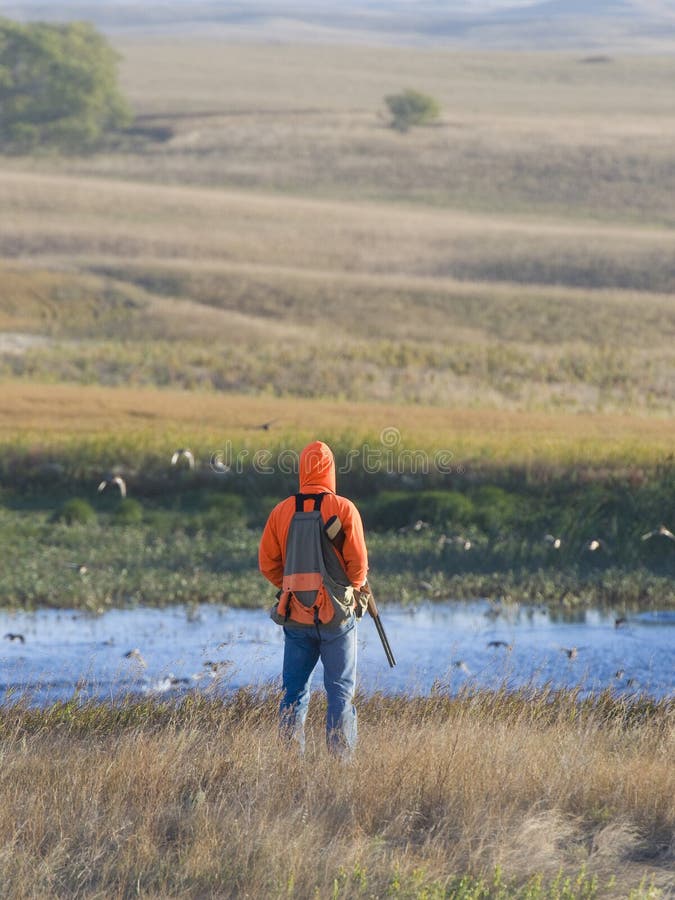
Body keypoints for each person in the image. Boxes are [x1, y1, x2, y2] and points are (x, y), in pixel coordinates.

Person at [259, 440, 369, 757]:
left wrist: (291, 586)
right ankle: (341, 766)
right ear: (331, 470)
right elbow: (358, 568)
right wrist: (347, 589)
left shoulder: (281, 511)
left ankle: (290, 764)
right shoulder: (344, 508)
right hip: (337, 619)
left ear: (302, 470)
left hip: (295, 616)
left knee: (293, 693)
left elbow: (267, 564)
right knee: (340, 693)